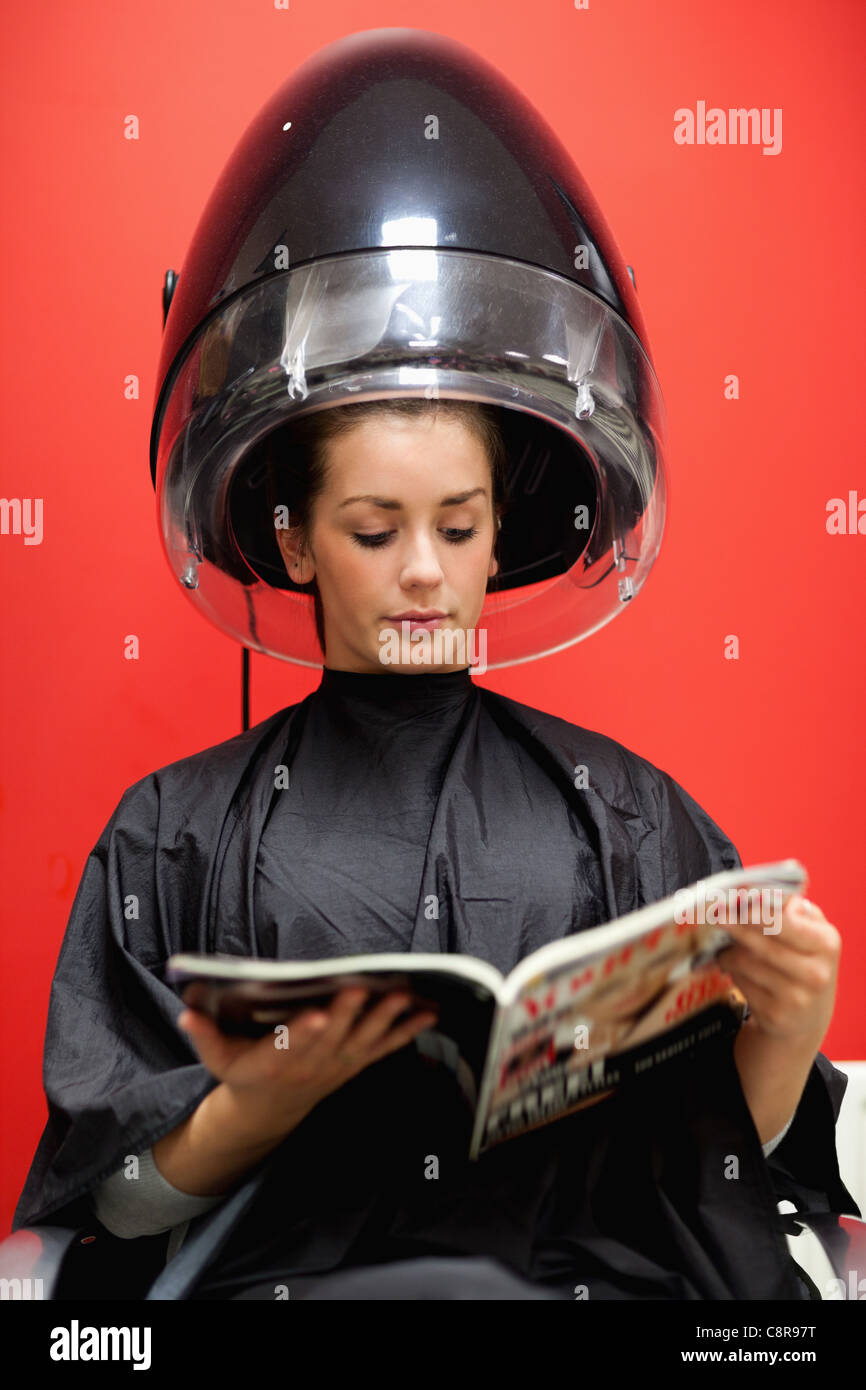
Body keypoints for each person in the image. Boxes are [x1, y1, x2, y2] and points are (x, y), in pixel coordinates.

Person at [12, 397, 859, 1301]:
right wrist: (263, 1104)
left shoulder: (626, 810)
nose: (424, 572)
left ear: (496, 538)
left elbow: (722, 1175)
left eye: (458, 527)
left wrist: (787, 1028)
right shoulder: (174, 829)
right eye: (375, 533)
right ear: (295, 546)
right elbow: (123, 1205)